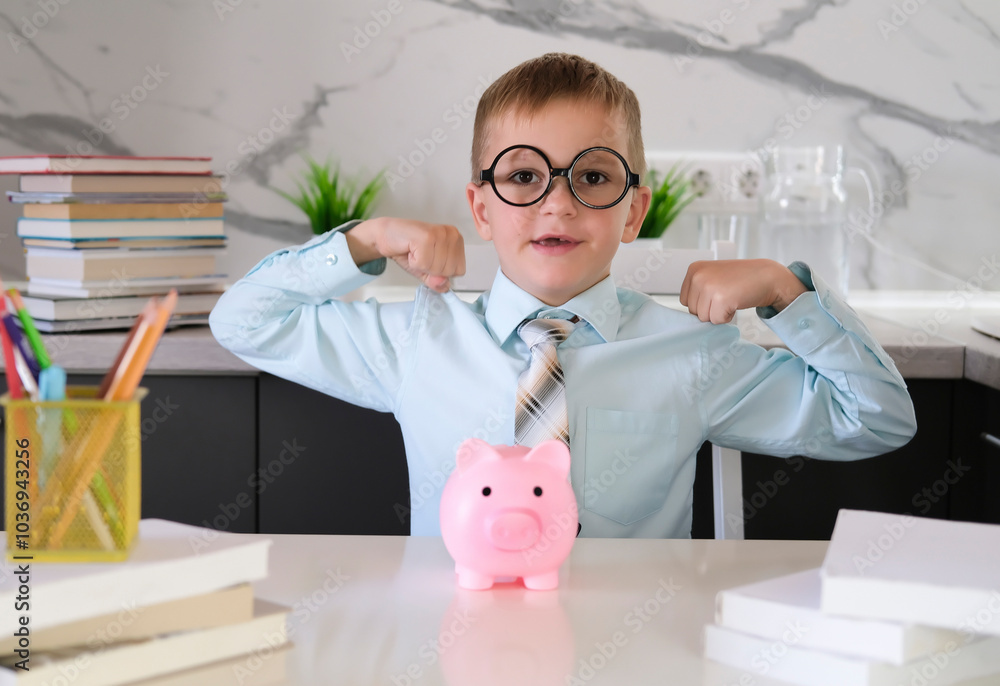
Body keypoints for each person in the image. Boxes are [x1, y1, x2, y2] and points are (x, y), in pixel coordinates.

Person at [209, 52, 917, 538]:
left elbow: (879, 419)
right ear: (481, 209)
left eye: (594, 177)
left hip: (632, 650)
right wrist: (365, 239)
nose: (557, 205)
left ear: (634, 212)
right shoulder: (415, 341)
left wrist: (784, 292)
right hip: (451, 644)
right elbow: (245, 320)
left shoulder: (690, 353)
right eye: (522, 177)